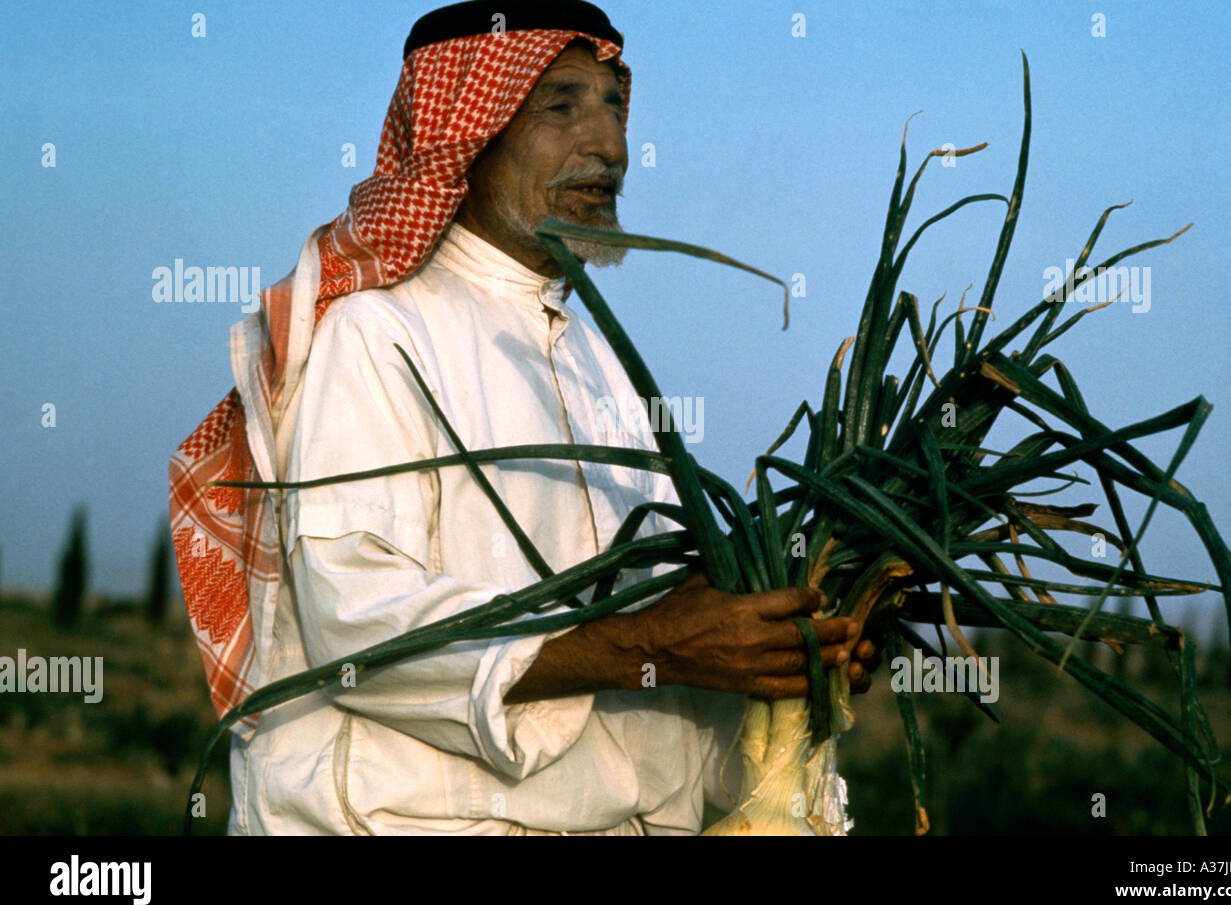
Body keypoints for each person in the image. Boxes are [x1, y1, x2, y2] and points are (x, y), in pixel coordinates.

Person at [168, 0, 881, 836]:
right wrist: (651, 642)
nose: (610, 146)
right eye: (562, 105)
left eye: (614, 104)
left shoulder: (602, 362)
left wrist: (780, 652)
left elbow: (649, 692)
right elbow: (358, 624)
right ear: (469, 134)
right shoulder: (376, 332)